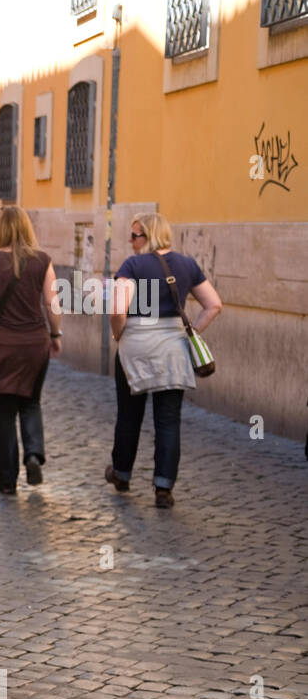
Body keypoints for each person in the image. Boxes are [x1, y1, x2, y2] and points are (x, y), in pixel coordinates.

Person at [106, 211, 222, 508]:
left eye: (135, 235)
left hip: (137, 344)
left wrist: (119, 336)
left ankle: (121, 473)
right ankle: (163, 488)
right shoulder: (187, 265)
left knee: (129, 414)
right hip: (173, 347)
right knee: (168, 419)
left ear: (149, 236)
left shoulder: (133, 265)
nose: (130, 241)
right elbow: (214, 304)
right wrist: (191, 331)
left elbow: (118, 310)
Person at [0, 206, 63, 494]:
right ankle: (33, 454)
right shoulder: (42, 261)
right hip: (35, 342)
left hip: (1, 343)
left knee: (5, 411)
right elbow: (52, 302)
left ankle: (7, 481)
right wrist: (55, 333)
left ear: (1, 228)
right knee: (32, 401)